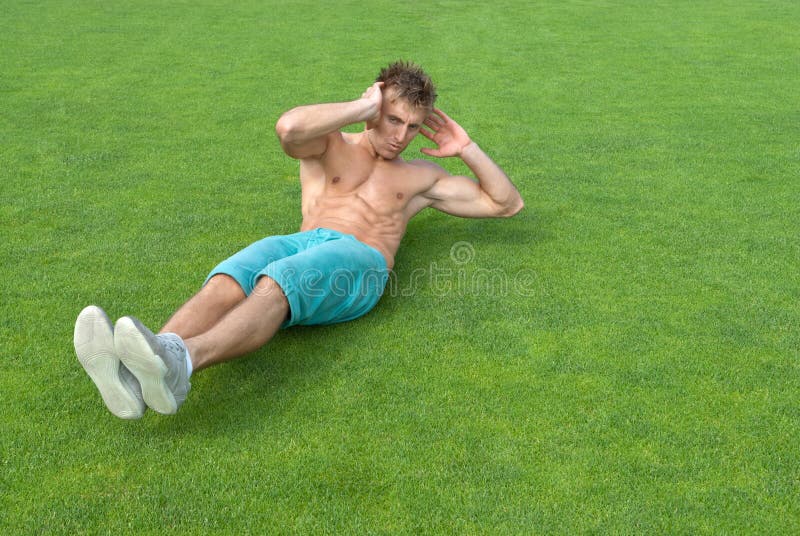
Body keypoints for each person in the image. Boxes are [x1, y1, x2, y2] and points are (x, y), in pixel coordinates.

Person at [74, 60, 524, 419]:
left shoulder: (421, 177)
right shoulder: (328, 145)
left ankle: (181, 362)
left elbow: (505, 204)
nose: (400, 136)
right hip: (301, 241)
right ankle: (136, 377)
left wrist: (465, 147)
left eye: (412, 126)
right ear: (375, 103)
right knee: (232, 276)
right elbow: (288, 128)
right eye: (392, 119)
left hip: (360, 261)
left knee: (280, 278)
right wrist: (362, 107)